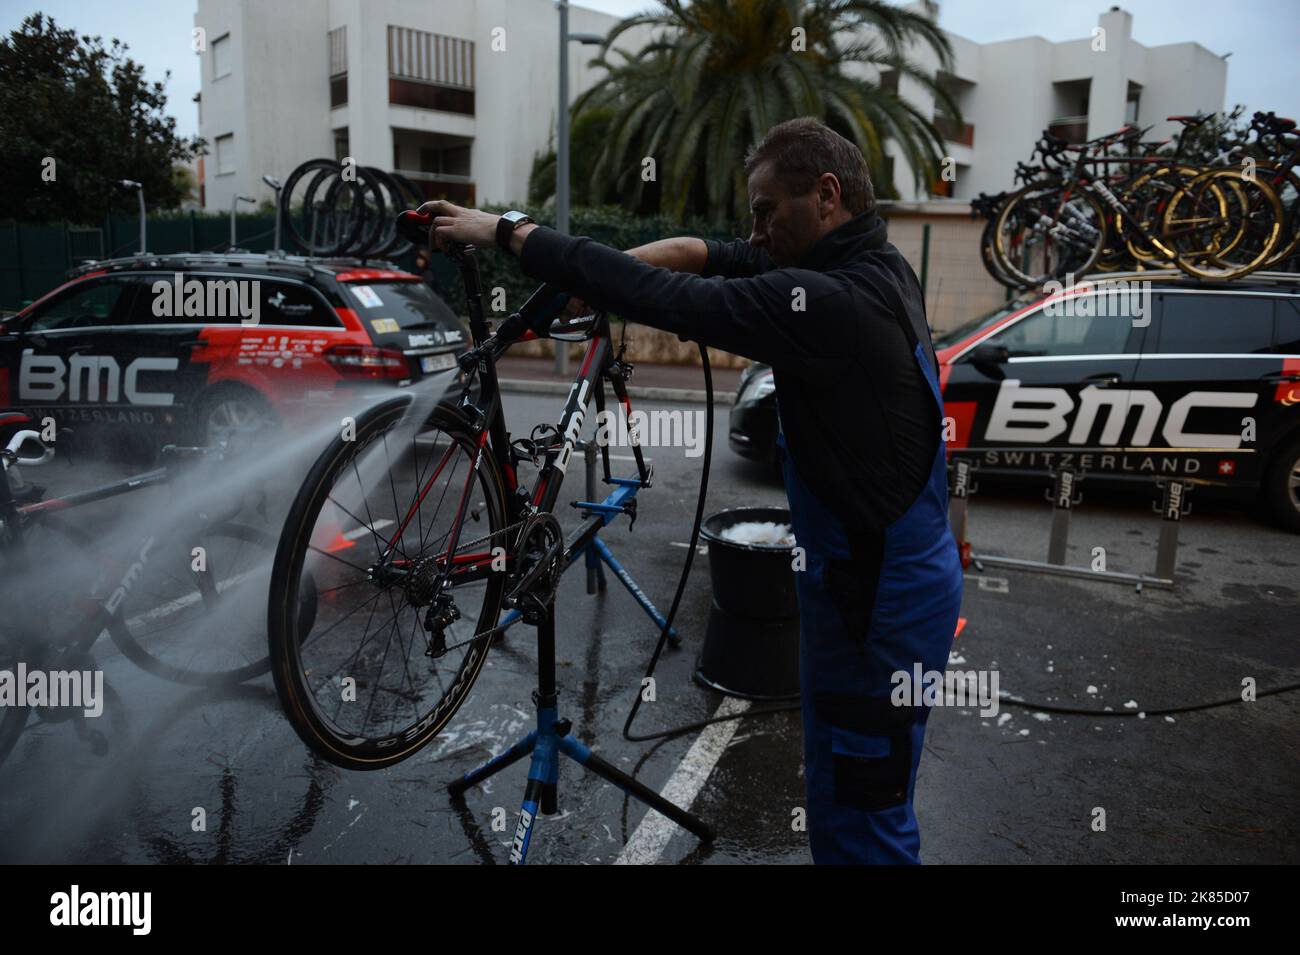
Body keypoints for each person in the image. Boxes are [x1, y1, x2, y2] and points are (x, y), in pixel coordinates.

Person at [418, 116, 963, 865]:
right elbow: (711, 260)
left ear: (827, 194)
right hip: (878, 579)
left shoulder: (832, 305)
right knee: (841, 785)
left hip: (877, 604)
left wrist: (506, 229)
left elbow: (671, 299)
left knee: (866, 809)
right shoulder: (874, 262)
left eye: (767, 208)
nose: (756, 230)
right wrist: (612, 268)